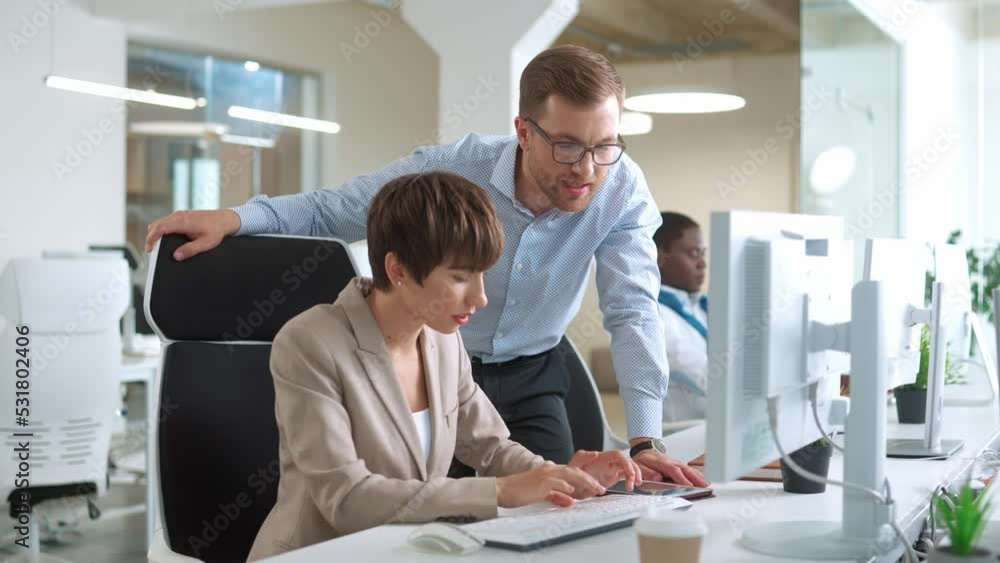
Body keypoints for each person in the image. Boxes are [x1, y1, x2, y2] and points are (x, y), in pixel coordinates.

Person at [146, 45, 707, 486]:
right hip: (436, 364)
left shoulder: (623, 190)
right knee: (438, 523)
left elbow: (633, 310)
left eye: (605, 146)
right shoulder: (452, 171)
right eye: (566, 146)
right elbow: (332, 209)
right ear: (522, 131)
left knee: (554, 508)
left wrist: (646, 441)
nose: (586, 168)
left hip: (535, 369)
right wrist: (237, 218)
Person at [247, 172, 641, 560]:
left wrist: (561, 477)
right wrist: (501, 491)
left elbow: (489, 446)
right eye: (459, 277)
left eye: (482, 275)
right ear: (398, 269)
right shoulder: (310, 342)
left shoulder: (442, 338)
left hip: (406, 550)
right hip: (320, 554)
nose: (480, 297)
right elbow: (347, 499)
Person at [652, 212, 708, 422]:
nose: (702, 263)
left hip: (717, 431)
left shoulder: (699, 307)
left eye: (703, 253)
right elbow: (712, 378)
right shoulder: (652, 317)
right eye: (694, 254)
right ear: (660, 257)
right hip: (684, 440)